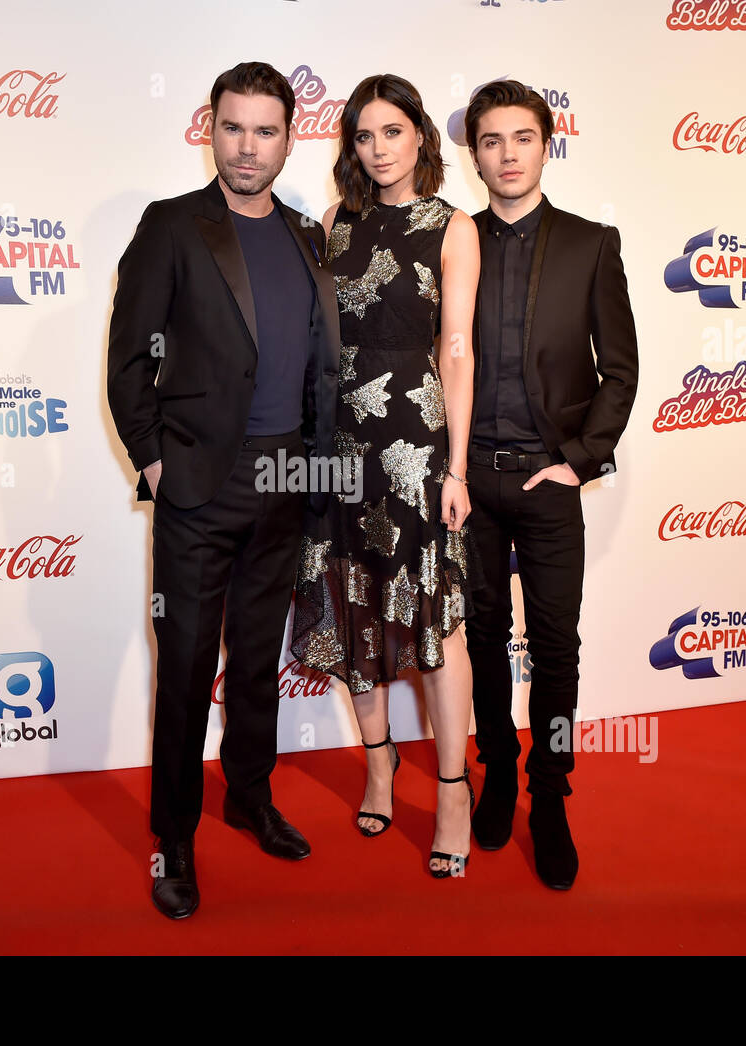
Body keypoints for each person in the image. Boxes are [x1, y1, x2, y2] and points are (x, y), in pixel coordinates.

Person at [106, 61, 340, 919]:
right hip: (201, 486)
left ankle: (248, 795)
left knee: (256, 664)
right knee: (185, 671)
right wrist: (154, 457)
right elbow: (128, 359)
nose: (249, 147)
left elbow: (317, 361)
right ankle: (174, 838)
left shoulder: (308, 235)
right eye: (234, 128)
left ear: (288, 137)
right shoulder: (172, 226)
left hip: (288, 479)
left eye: (266, 130)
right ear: (212, 128)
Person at [290, 73, 482, 878]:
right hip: (341, 442)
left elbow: (457, 351)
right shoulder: (334, 222)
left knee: (440, 626)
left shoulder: (454, 226)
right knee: (350, 603)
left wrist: (457, 467)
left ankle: (450, 791)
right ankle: (378, 763)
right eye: (363, 136)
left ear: (421, 139)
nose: (377, 150)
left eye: (392, 132)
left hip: (417, 440)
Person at [459, 80, 638, 889]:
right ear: (475, 151)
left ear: (546, 143)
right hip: (470, 486)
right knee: (485, 646)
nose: (506, 154)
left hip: (547, 485)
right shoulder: (451, 242)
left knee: (556, 651)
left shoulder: (591, 243)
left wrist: (583, 457)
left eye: (521, 138)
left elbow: (620, 370)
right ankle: (497, 771)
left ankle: (552, 796)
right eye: (491, 140)